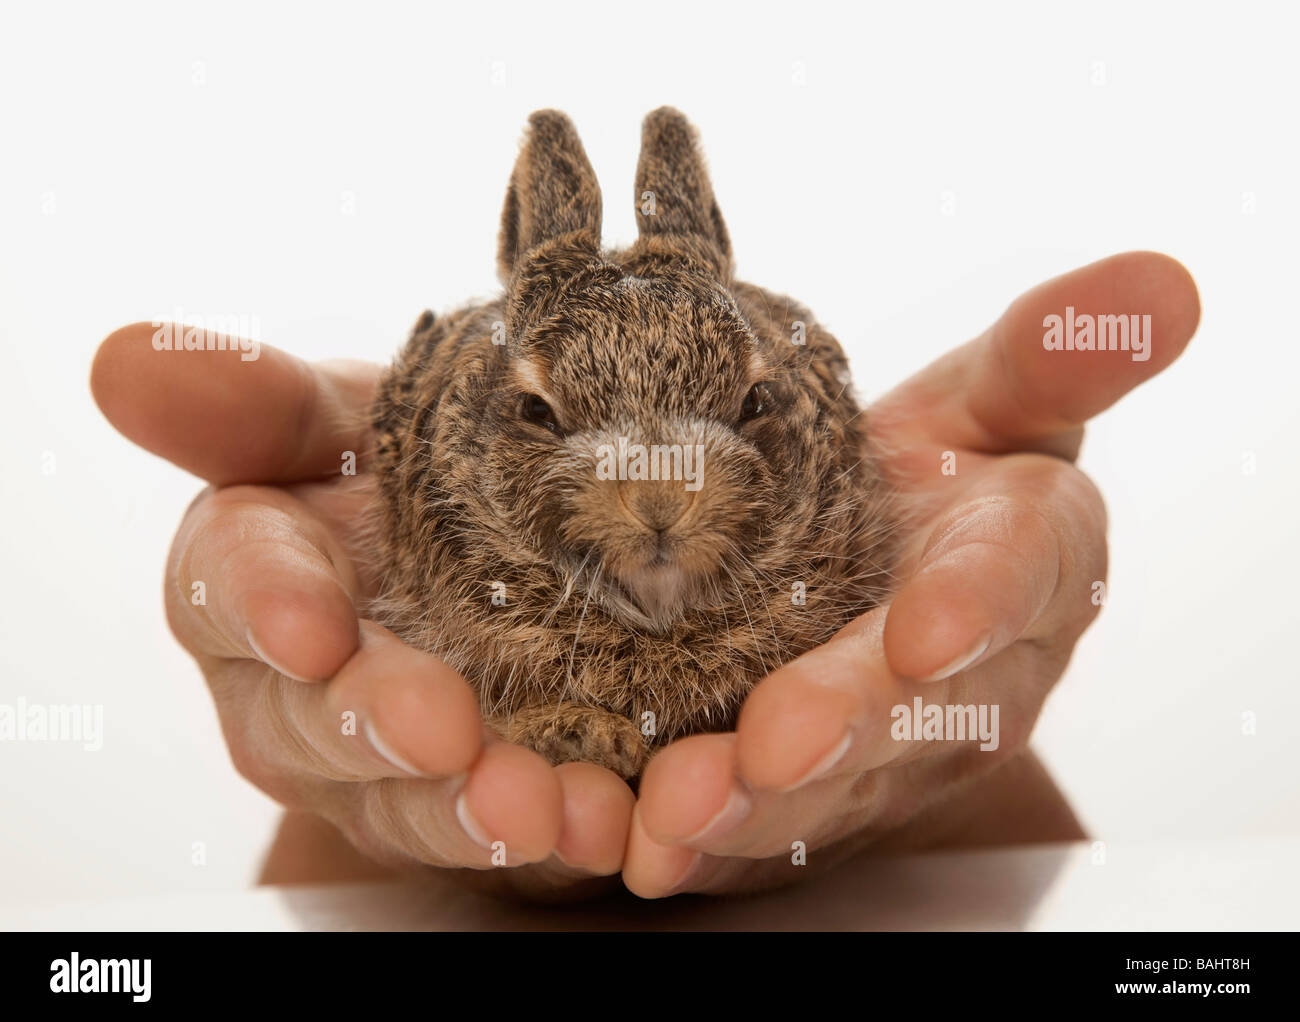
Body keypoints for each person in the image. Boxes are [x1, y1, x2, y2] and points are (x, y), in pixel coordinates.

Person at [90, 251, 1199, 902]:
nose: (661, 494)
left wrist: (946, 778)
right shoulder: (441, 494)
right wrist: (362, 820)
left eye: (741, 411)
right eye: (544, 417)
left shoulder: (824, 493)